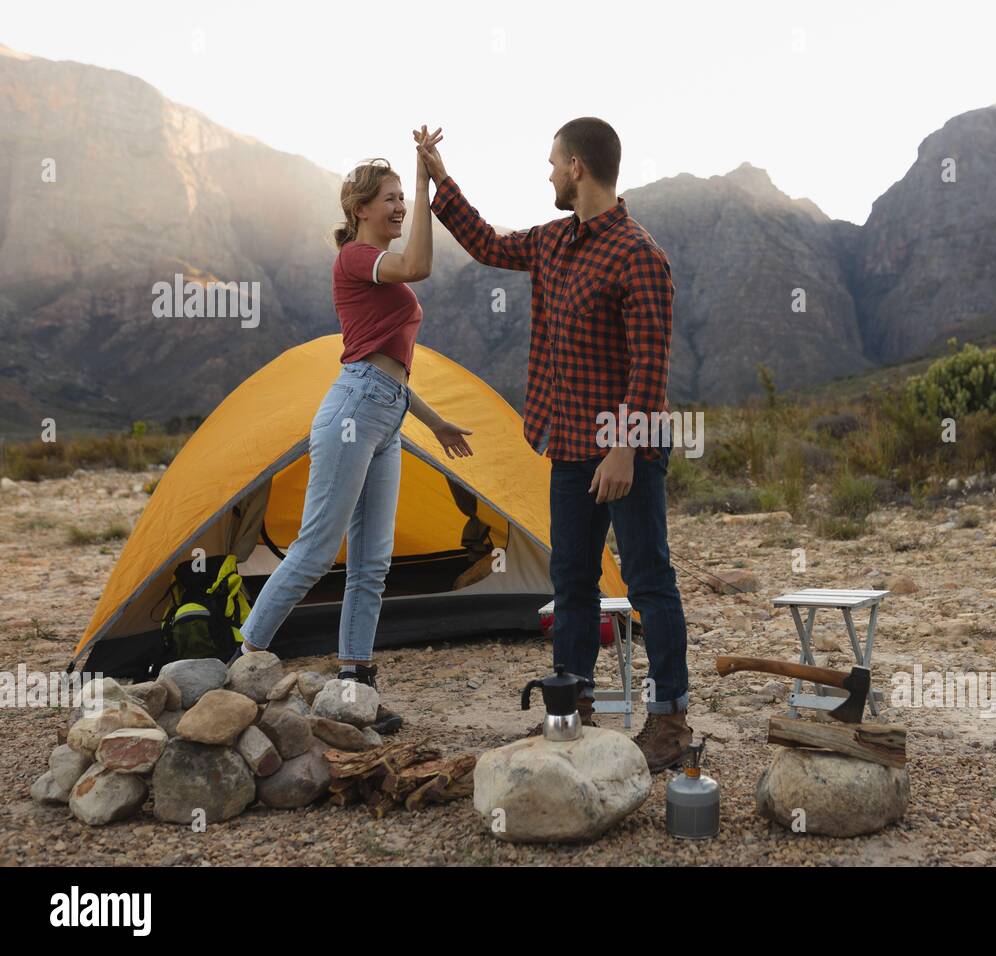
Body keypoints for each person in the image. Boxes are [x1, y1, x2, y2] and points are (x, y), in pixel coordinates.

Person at [418, 118, 693, 770]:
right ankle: (572, 712)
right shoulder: (551, 243)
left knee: (650, 580)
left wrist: (624, 448)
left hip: (626, 445)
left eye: (552, 163)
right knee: (572, 580)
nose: (547, 173)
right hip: (569, 442)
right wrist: (438, 179)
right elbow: (485, 244)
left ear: (578, 168)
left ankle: (671, 723)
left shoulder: (639, 254)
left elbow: (649, 365)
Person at [234, 128, 474, 735]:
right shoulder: (356, 259)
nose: (398, 207)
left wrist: (434, 420)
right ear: (359, 210)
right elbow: (418, 265)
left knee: (373, 564)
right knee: (316, 549)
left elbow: (387, 368)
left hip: (385, 409)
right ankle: (242, 660)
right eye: (389, 199)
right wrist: (425, 180)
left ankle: (357, 687)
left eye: (402, 198)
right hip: (353, 412)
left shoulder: (375, 264)